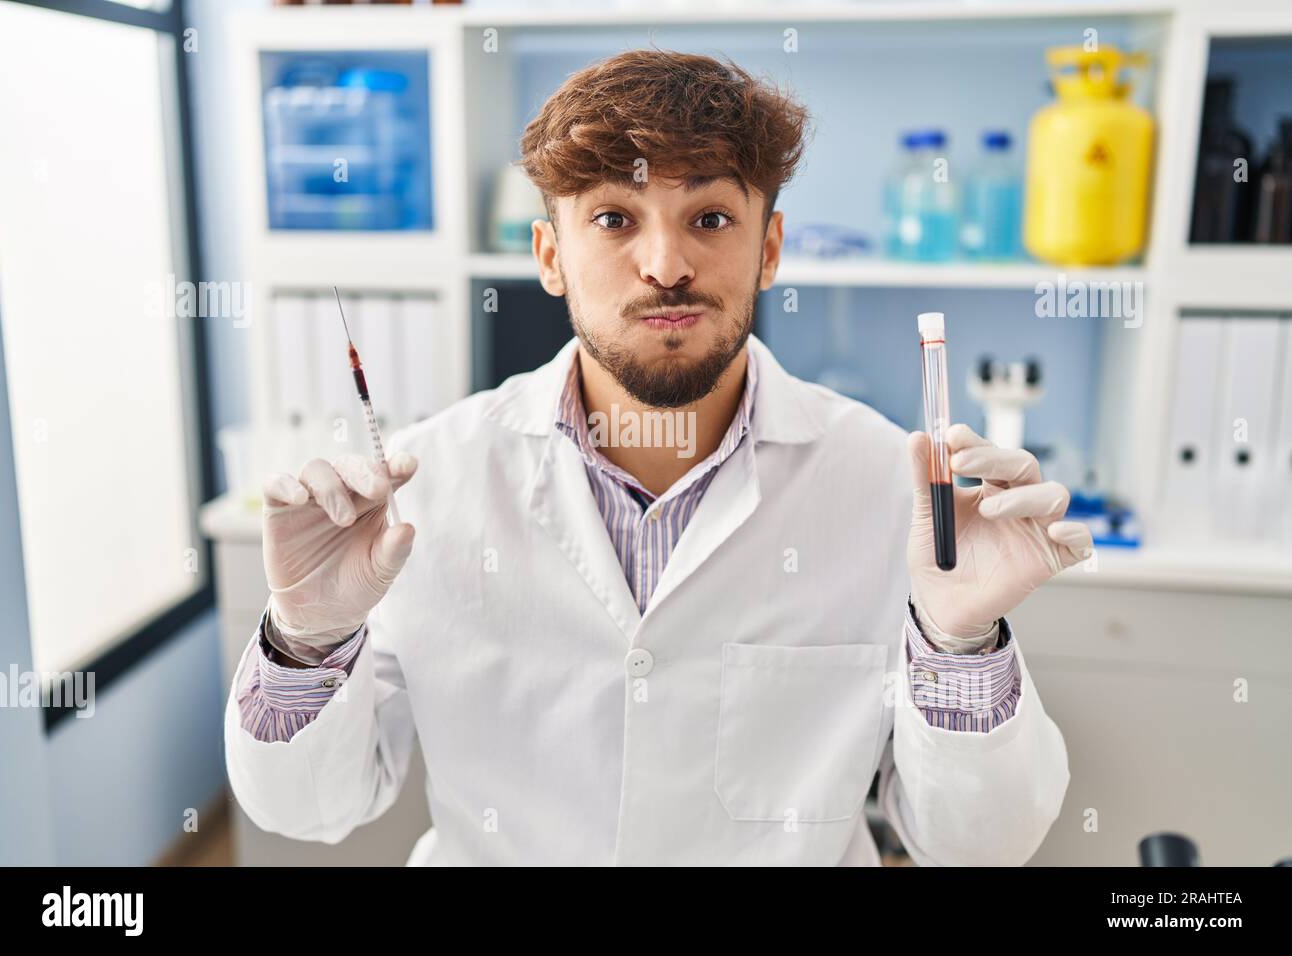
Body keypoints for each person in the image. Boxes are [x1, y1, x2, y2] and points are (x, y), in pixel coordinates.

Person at [225, 50, 1093, 866]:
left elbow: (981, 843)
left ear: (771, 248)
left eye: (710, 218)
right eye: (613, 218)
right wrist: (307, 642)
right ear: (551, 256)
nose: (666, 265)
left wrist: (961, 643)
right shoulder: (424, 484)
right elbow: (306, 810)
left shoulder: (886, 484)